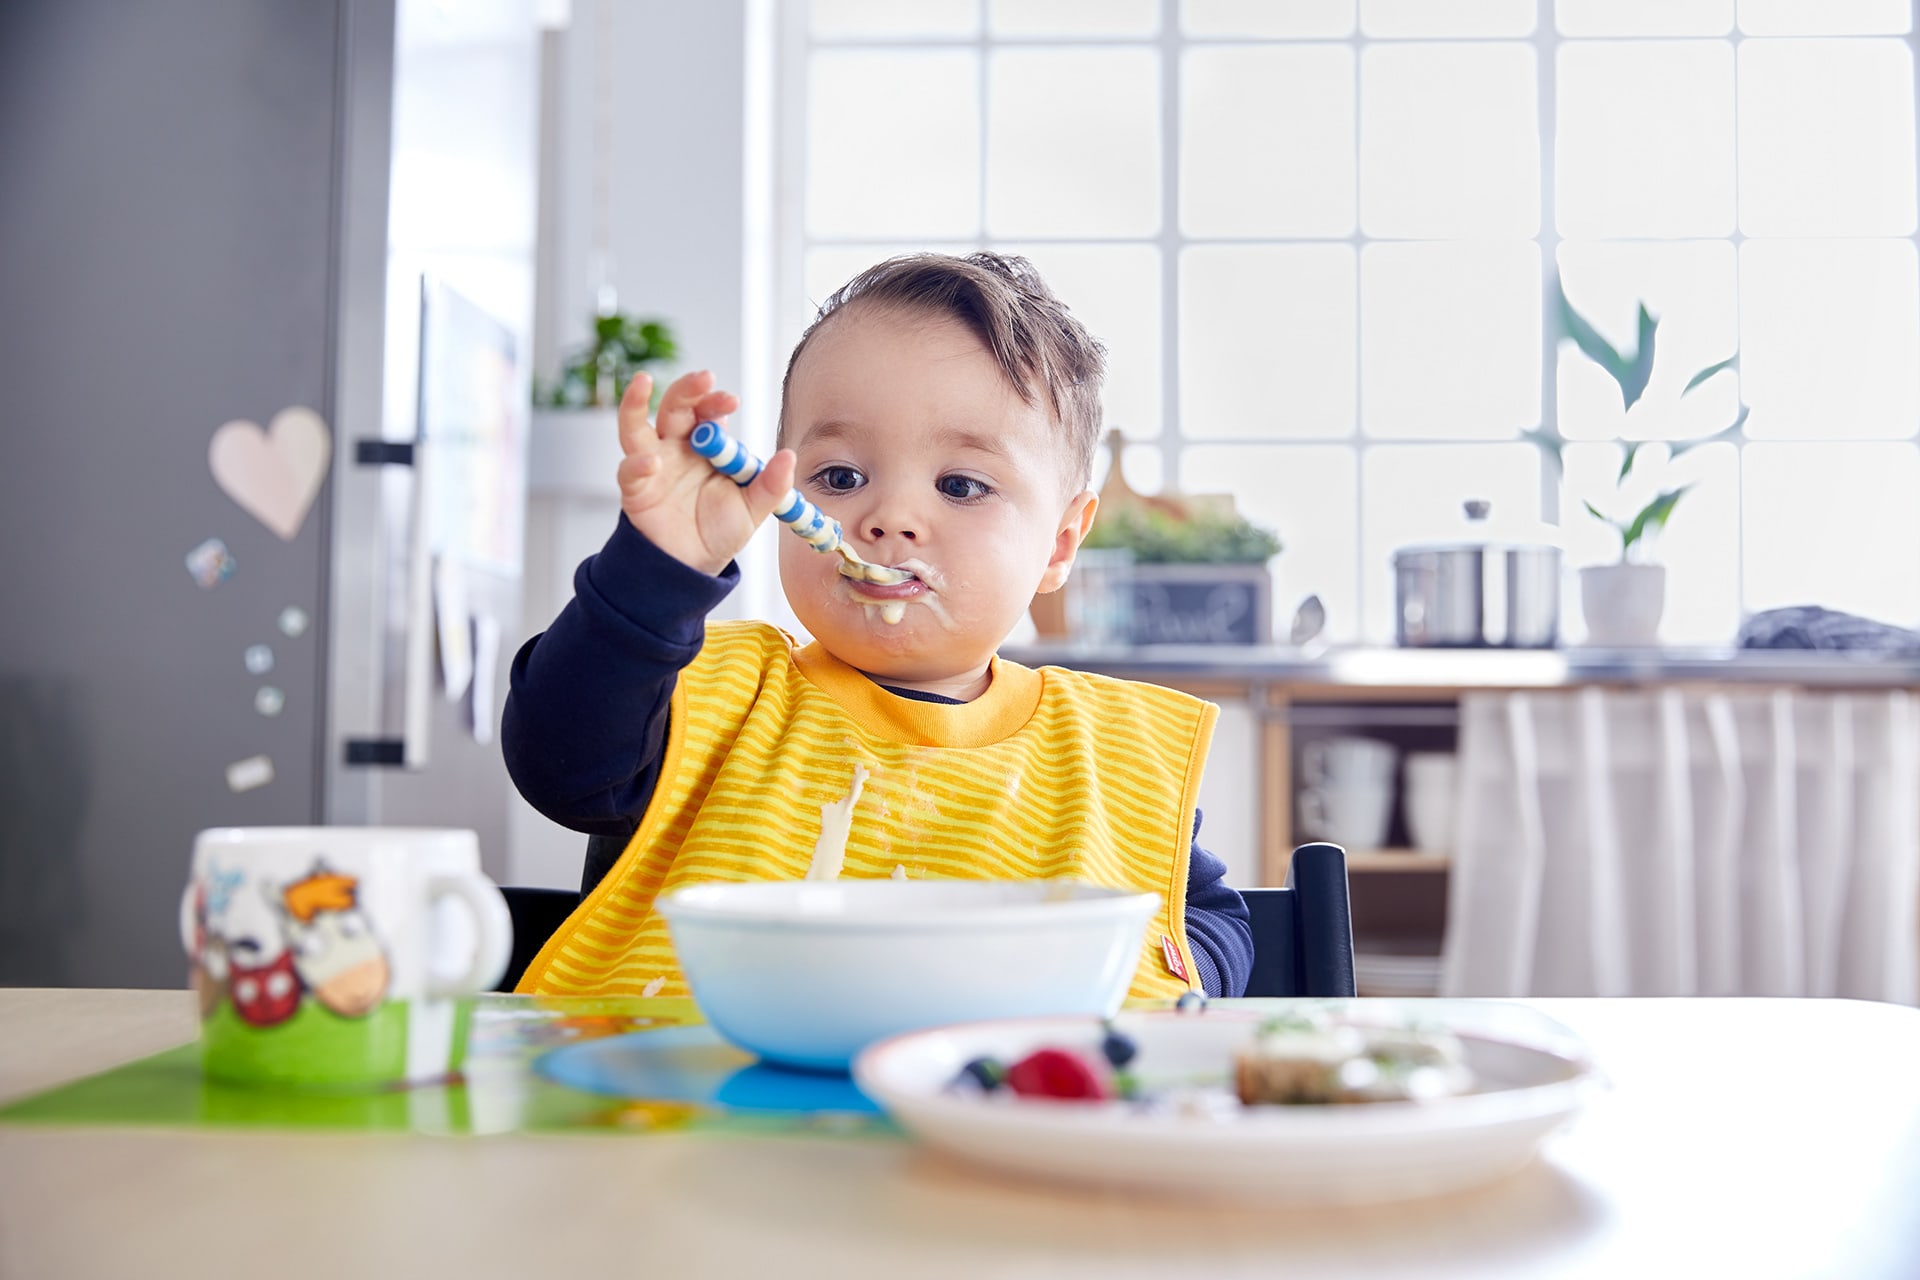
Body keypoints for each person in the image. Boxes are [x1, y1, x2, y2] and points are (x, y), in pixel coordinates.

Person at [503, 252, 1253, 999]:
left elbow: (1207, 918)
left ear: (1059, 543)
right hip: (690, 1108)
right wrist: (658, 569)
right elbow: (558, 761)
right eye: (841, 478)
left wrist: (1146, 981)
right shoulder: (705, 696)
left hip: (994, 1112)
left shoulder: (1113, 753)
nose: (890, 518)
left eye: (961, 485)